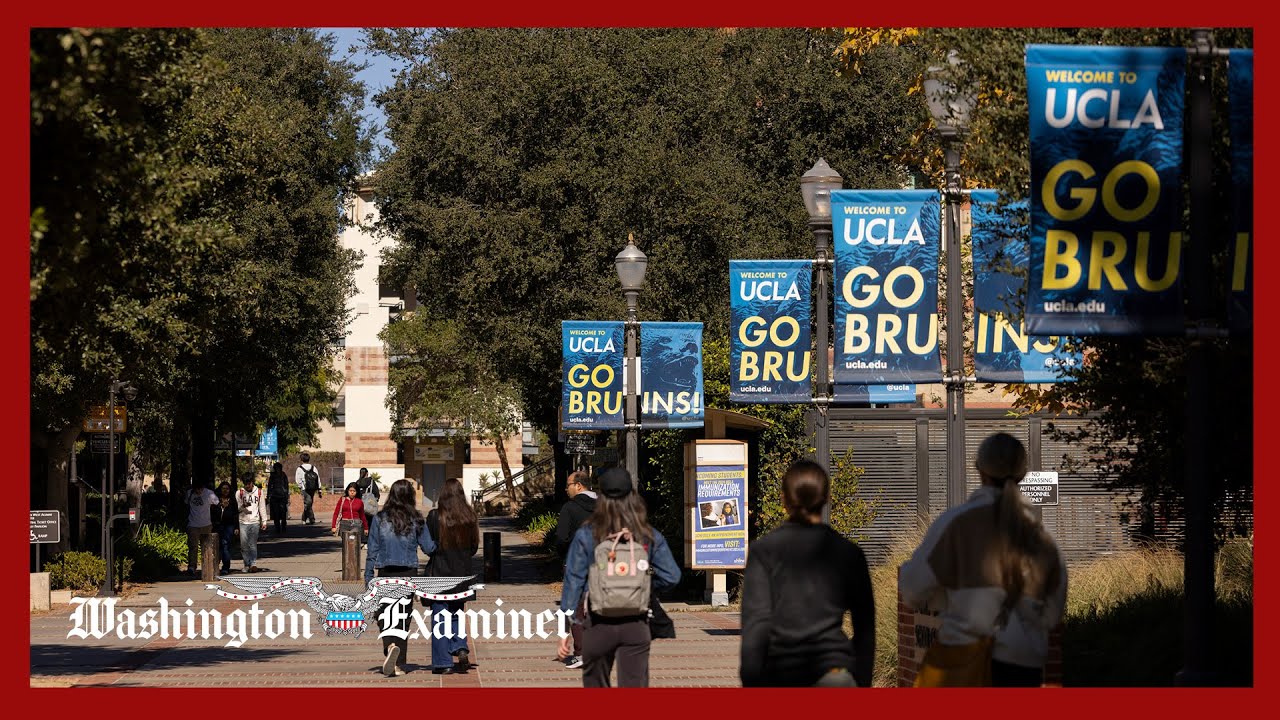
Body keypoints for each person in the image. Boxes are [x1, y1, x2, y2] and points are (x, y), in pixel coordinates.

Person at [899, 432, 1067, 687]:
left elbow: (912, 590)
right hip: (1024, 668)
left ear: (979, 470)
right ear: (1022, 474)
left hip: (962, 663)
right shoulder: (1043, 538)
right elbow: (1052, 615)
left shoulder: (954, 525)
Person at [739, 460, 875, 688]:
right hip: (835, 673)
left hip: (780, 673)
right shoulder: (849, 553)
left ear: (784, 499)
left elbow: (757, 623)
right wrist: (862, 680)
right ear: (826, 498)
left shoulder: (764, 551)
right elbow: (865, 627)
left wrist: (751, 680)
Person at [556, 467, 680, 688]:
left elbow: (573, 581)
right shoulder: (646, 533)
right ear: (631, 496)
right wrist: (642, 586)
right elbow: (672, 576)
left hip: (598, 624)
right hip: (636, 624)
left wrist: (565, 631)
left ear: (601, 496)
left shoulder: (587, 533)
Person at [366, 478, 437, 677]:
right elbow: (429, 548)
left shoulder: (379, 519)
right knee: (403, 618)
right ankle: (398, 663)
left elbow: (372, 550)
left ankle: (390, 647)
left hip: (385, 572)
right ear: (410, 496)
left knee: (384, 615)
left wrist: (368, 577)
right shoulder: (417, 519)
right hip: (407, 573)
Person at [425, 478, 479, 675]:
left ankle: (443, 662)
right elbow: (473, 547)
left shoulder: (434, 517)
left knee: (440, 615)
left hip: (440, 571)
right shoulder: (469, 517)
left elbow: (429, 547)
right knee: (457, 611)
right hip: (462, 572)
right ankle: (460, 645)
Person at [554, 469, 597, 670]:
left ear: (579, 486)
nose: (566, 489)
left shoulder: (570, 508)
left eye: (569, 485)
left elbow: (561, 538)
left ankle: (582, 654)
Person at [184, 479, 219, 577]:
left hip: (206, 524)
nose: (198, 491)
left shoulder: (209, 493)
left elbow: (217, 503)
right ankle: (192, 567)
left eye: (200, 489)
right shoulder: (189, 493)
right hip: (192, 524)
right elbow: (186, 505)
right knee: (192, 547)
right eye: (196, 489)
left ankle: (207, 566)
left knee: (206, 547)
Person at [236, 472, 268, 573]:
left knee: (252, 544)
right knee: (244, 545)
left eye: (249, 483)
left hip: (255, 521)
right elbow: (237, 509)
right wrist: (243, 506)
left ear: (252, 482)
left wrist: (264, 521)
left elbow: (262, 507)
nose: (247, 486)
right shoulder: (239, 493)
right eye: (245, 484)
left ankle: (253, 564)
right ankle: (246, 564)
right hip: (243, 521)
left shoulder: (259, 492)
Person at [210, 481, 239, 574]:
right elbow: (212, 513)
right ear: (220, 489)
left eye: (227, 488)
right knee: (217, 547)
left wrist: (236, 527)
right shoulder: (216, 500)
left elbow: (235, 515)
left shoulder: (233, 500)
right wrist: (220, 505)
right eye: (223, 488)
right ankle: (215, 566)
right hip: (218, 525)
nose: (225, 490)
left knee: (225, 545)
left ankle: (226, 567)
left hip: (229, 526)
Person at [295, 452, 323, 525]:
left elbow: (297, 480)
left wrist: (301, 487)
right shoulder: (314, 468)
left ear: (301, 459)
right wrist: (319, 489)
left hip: (305, 489)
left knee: (308, 504)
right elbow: (318, 479)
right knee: (309, 503)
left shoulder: (299, 469)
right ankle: (311, 519)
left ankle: (304, 518)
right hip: (313, 488)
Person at [266, 462, 291, 535]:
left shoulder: (280, 475)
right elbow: (270, 486)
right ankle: (279, 527)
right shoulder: (278, 475)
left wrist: (287, 495)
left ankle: (282, 526)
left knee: (282, 512)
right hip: (276, 496)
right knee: (277, 512)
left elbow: (286, 486)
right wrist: (268, 496)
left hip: (280, 496)